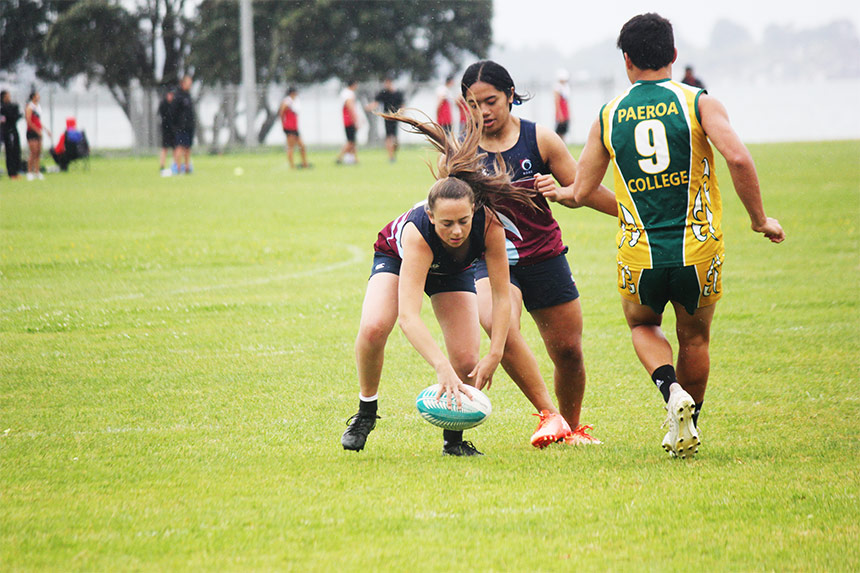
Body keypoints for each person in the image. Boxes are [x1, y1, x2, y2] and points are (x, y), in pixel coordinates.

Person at [570, 13, 785, 458]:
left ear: (626, 60)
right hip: (698, 249)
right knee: (695, 339)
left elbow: (582, 190)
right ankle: (688, 422)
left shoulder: (608, 115)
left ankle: (671, 393)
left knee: (643, 324)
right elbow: (739, 159)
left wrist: (562, 192)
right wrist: (760, 220)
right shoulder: (698, 102)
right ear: (672, 54)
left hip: (640, 252)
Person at [341, 111, 534, 456]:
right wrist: (438, 366)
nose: (457, 231)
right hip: (398, 259)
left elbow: (503, 298)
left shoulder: (489, 227)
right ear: (431, 216)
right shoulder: (419, 233)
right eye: (446, 224)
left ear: (474, 211)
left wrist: (496, 352)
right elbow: (408, 317)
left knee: (465, 359)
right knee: (373, 328)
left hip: (452, 270)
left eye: (462, 221)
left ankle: (453, 441)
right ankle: (366, 411)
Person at [460, 60, 618, 448]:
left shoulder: (541, 139)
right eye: (473, 104)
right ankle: (550, 415)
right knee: (499, 323)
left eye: (491, 101)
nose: (483, 112)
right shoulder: (461, 151)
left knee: (568, 352)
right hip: (491, 263)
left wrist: (632, 214)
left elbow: (582, 190)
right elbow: (449, 212)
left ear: (510, 95)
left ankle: (572, 430)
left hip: (545, 257)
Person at [367, 77, 405, 162]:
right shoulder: (384, 93)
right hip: (387, 118)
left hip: (396, 118)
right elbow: (376, 103)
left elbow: (402, 105)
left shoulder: (398, 94)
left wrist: (402, 114)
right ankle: (390, 156)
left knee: (395, 139)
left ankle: (393, 151)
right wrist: (369, 107)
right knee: (388, 137)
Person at [279, 86, 310, 169]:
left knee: (302, 146)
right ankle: (292, 166)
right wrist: (283, 124)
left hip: (295, 128)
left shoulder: (294, 102)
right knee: (291, 147)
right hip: (289, 128)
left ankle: (305, 164)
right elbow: (281, 112)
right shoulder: (287, 101)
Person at [171, 75, 195, 175]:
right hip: (181, 127)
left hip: (189, 126)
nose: (191, 84)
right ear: (183, 83)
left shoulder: (188, 95)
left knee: (188, 147)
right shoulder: (178, 96)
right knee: (179, 147)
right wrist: (177, 125)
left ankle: (187, 167)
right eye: (189, 82)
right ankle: (177, 168)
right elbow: (173, 112)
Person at [25, 90, 50, 181]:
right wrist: (36, 130)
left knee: (38, 152)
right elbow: (29, 121)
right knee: (33, 152)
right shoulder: (29, 107)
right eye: (37, 95)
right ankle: (29, 172)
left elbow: (38, 121)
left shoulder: (38, 107)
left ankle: (37, 171)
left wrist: (46, 130)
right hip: (32, 132)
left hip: (38, 131)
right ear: (33, 97)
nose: (39, 96)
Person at [336, 79, 360, 165]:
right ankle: (339, 157)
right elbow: (350, 107)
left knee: (352, 141)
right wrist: (356, 120)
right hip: (349, 120)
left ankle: (354, 159)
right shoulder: (349, 94)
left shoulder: (345, 93)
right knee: (351, 141)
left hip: (346, 119)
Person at [1, 90, 23, 179]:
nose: (9, 97)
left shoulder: (13, 106)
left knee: (16, 150)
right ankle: (11, 172)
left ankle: (16, 171)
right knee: (9, 151)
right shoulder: (3, 108)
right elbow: (9, 118)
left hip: (14, 130)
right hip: (7, 131)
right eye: (7, 96)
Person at [157, 89, 175, 175]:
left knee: (175, 148)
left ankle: (175, 165)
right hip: (166, 130)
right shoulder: (163, 104)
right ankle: (162, 166)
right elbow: (161, 116)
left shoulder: (174, 104)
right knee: (165, 148)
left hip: (174, 130)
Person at [554, 68, 572, 141]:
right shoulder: (557, 88)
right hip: (561, 113)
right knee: (559, 132)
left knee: (564, 131)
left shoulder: (565, 87)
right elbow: (557, 102)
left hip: (565, 112)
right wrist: (560, 114)